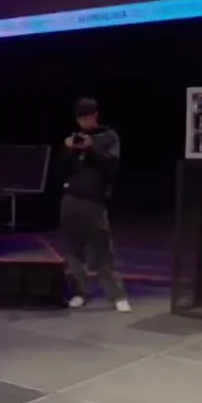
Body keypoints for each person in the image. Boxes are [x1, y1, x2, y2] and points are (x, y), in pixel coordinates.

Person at [56, 98, 131, 312]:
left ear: (96, 115)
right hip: (71, 198)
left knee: (102, 249)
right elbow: (60, 171)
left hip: (94, 200)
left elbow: (111, 166)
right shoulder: (74, 139)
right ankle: (80, 292)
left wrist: (91, 149)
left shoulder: (108, 136)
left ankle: (117, 295)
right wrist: (66, 150)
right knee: (73, 249)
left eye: (88, 118)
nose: (85, 122)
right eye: (81, 119)